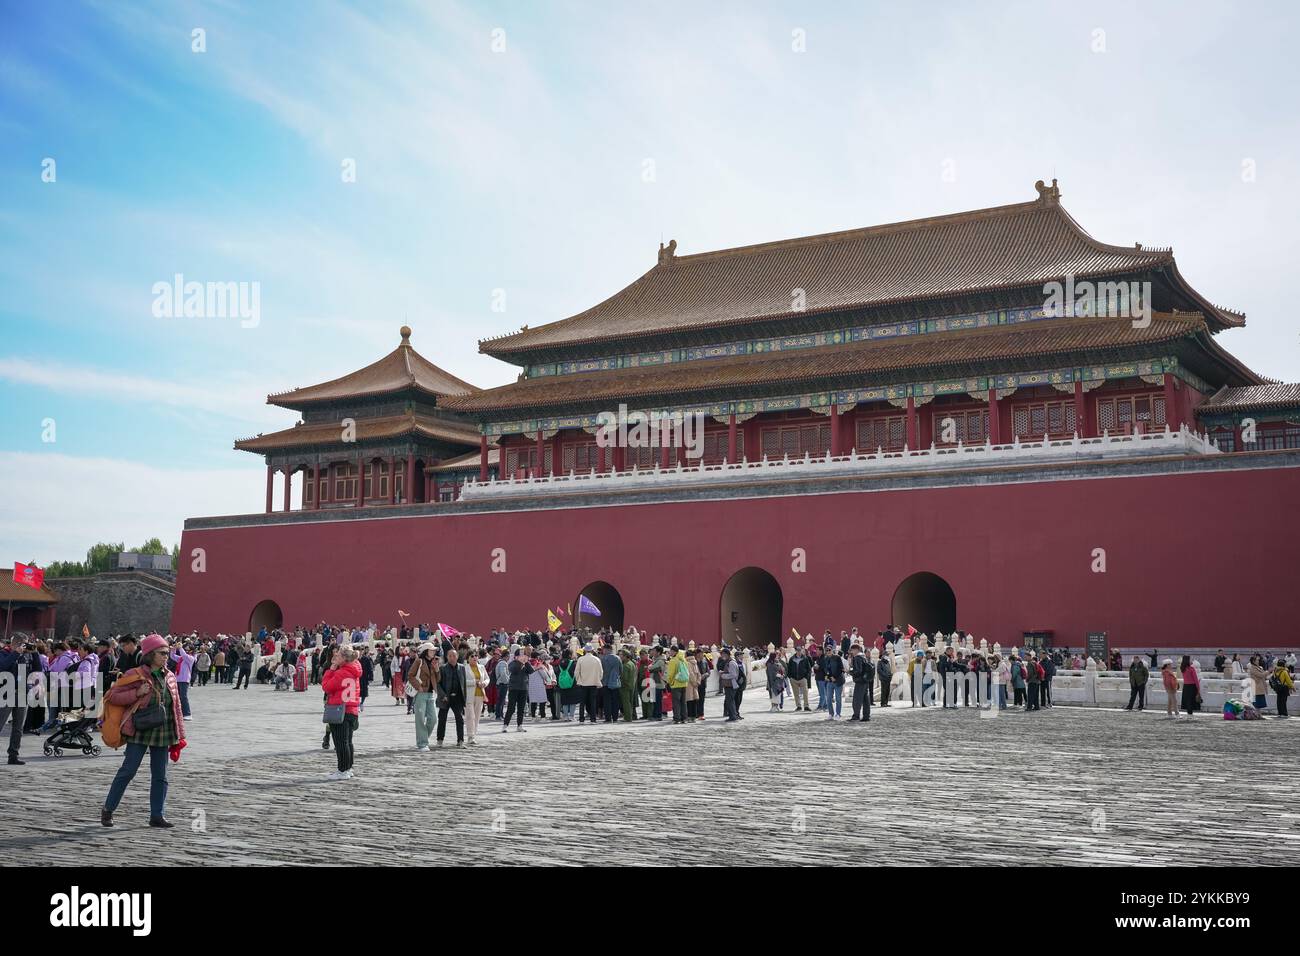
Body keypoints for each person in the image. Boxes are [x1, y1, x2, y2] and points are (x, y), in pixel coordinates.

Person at [100, 634, 185, 826]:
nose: (166, 656)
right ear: (150, 655)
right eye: (162, 653)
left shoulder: (170, 676)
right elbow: (112, 696)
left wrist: (180, 733)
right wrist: (136, 693)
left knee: (161, 776)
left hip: (163, 731)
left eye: (167, 652)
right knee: (128, 771)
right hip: (139, 730)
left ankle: (157, 815)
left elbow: (176, 706)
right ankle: (108, 809)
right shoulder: (134, 674)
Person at [321, 645, 362, 779]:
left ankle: (342, 770)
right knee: (348, 741)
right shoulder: (354, 670)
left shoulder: (341, 672)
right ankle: (348, 768)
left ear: (344, 658)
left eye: (338, 656)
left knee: (340, 742)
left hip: (340, 710)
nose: (335, 657)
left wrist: (330, 670)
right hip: (352, 709)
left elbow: (326, 687)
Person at [0, 636, 28, 765]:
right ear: (15, 644)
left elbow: (34, 670)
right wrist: (15, 654)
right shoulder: (3, 654)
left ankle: (13, 755)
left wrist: (34, 654)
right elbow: (3, 667)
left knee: (18, 728)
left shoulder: (24, 656)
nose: (25, 647)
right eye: (23, 645)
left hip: (21, 694)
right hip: (6, 694)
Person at [407, 644, 439, 752]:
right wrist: (418, 686)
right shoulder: (419, 661)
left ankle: (423, 738)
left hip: (431, 694)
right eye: (432, 650)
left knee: (433, 719)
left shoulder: (434, 662)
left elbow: (438, 679)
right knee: (420, 719)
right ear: (426, 651)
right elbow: (410, 675)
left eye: (434, 650)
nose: (434, 652)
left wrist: (437, 669)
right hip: (420, 693)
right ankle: (422, 743)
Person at [435, 648, 468, 746]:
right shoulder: (443, 668)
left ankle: (460, 740)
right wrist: (443, 695)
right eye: (450, 656)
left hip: (457, 697)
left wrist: (464, 698)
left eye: (454, 656)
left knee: (459, 719)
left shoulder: (462, 667)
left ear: (457, 657)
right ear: (447, 657)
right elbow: (438, 684)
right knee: (442, 719)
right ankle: (440, 740)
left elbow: (464, 684)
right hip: (446, 697)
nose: (452, 658)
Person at [502, 649, 531, 732]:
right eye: (521, 655)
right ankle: (505, 725)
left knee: (521, 708)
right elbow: (514, 670)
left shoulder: (526, 663)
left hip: (524, 688)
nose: (523, 657)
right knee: (511, 708)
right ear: (516, 657)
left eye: (524, 655)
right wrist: (520, 663)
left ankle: (520, 725)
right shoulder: (512, 663)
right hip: (514, 688)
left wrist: (527, 663)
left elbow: (531, 671)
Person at [574, 647, 603, 723]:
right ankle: (593, 718)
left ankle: (581, 718)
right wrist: (598, 680)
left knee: (582, 702)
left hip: (583, 683)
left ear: (584, 651)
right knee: (593, 701)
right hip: (593, 683)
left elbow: (576, 672)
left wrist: (578, 680)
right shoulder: (597, 659)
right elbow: (601, 672)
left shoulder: (581, 659)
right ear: (592, 651)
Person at [666, 646, 690, 724]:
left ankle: (677, 718)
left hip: (676, 684)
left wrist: (668, 681)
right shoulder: (683, 660)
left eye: (671, 651)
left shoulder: (673, 661)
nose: (670, 653)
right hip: (684, 683)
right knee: (683, 702)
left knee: (676, 702)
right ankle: (684, 718)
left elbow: (671, 673)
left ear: (675, 652)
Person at [849, 645, 873, 722]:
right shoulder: (864, 657)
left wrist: (850, 672)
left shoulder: (857, 658)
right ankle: (866, 716)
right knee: (866, 700)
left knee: (857, 699)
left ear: (856, 650)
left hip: (860, 681)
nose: (851, 652)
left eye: (852, 650)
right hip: (866, 680)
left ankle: (856, 716)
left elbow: (858, 671)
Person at [600, 645, 623, 722]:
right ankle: (615, 717)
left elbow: (601, 671)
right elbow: (621, 670)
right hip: (615, 682)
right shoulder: (617, 658)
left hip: (605, 682)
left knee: (607, 701)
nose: (603, 651)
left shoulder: (603, 659)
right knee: (615, 701)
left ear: (607, 650)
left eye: (603, 650)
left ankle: (608, 718)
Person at [786, 645, 811, 712]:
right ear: (796, 651)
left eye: (800, 650)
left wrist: (806, 677)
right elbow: (789, 669)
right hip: (794, 679)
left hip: (803, 678)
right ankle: (798, 706)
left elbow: (809, 669)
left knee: (805, 693)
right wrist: (790, 677)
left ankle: (806, 706)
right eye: (797, 650)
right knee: (796, 693)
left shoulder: (805, 658)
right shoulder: (792, 659)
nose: (799, 651)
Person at [822, 647, 845, 720]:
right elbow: (825, 669)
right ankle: (830, 714)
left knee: (838, 698)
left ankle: (838, 714)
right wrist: (826, 676)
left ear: (832, 650)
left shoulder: (837, 658)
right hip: (830, 681)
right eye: (827, 650)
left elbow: (841, 669)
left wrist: (835, 677)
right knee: (828, 698)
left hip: (838, 681)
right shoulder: (825, 659)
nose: (828, 651)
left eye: (829, 650)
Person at [719, 649, 740, 721]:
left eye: (722, 654)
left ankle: (733, 716)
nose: (722, 656)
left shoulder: (731, 663)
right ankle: (733, 715)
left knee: (730, 701)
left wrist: (723, 675)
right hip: (729, 684)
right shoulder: (729, 662)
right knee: (730, 701)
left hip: (731, 685)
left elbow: (733, 675)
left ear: (726, 654)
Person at [620, 650, 638, 722]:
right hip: (632, 685)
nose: (620, 656)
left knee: (626, 702)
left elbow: (624, 678)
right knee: (630, 702)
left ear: (625, 656)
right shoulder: (632, 663)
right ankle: (630, 716)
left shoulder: (626, 665)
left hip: (625, 686)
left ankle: (627, 717)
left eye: (621, 655)